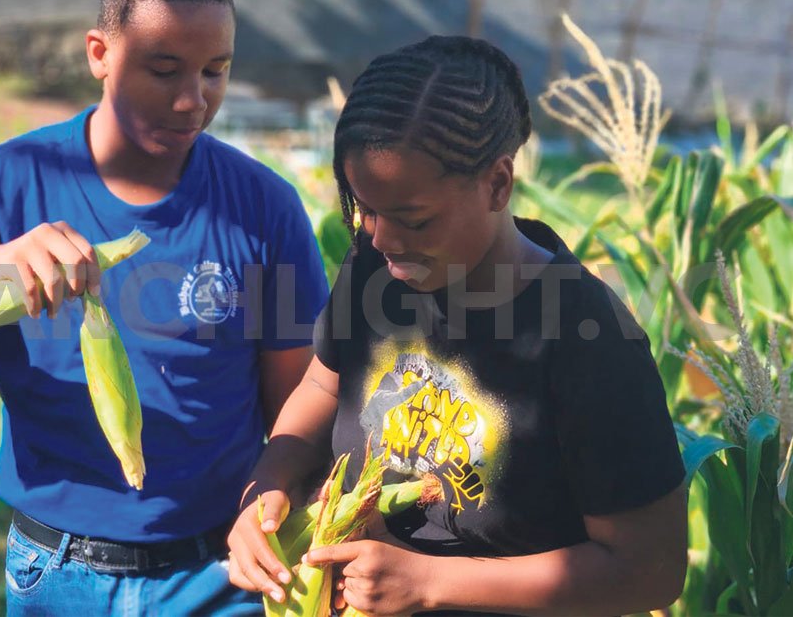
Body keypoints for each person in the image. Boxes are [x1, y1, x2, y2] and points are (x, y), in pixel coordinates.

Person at [0, 0, 328, 614]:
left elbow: (301, 406)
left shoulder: (262, 206)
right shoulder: (7, 184)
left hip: (219, 574)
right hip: (57, 575)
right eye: (164, 70)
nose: (192, 100)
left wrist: (269, 500)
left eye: (216, 70)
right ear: (99, 54)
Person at [226, 35, 688, 616]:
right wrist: (268, 483)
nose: (382, 239)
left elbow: (650, 571)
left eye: (414, 220)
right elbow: (323, 384)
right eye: (365, 210)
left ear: (498, 184)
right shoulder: (376, 267)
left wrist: (430, 582)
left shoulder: (588, 338)